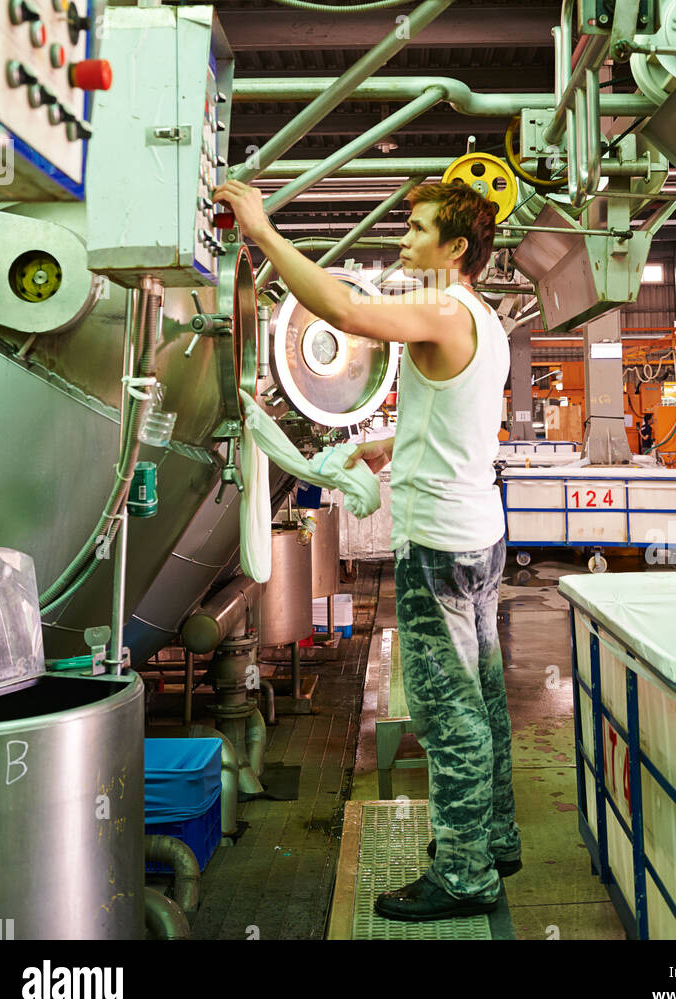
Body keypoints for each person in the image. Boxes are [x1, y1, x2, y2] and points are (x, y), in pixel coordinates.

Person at [213, 176, 522, 923]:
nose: (403, 240)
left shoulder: (442, 308)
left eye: (418, 230)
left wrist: (261, 230)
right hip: (479, 533)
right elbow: (463, 418)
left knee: (448, 714)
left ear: (455, 248)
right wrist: (388, 445)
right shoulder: (481, 317)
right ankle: (494, 836)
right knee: (480, 696)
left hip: (437, 549)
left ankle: (464, 872)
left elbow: (344, 309)